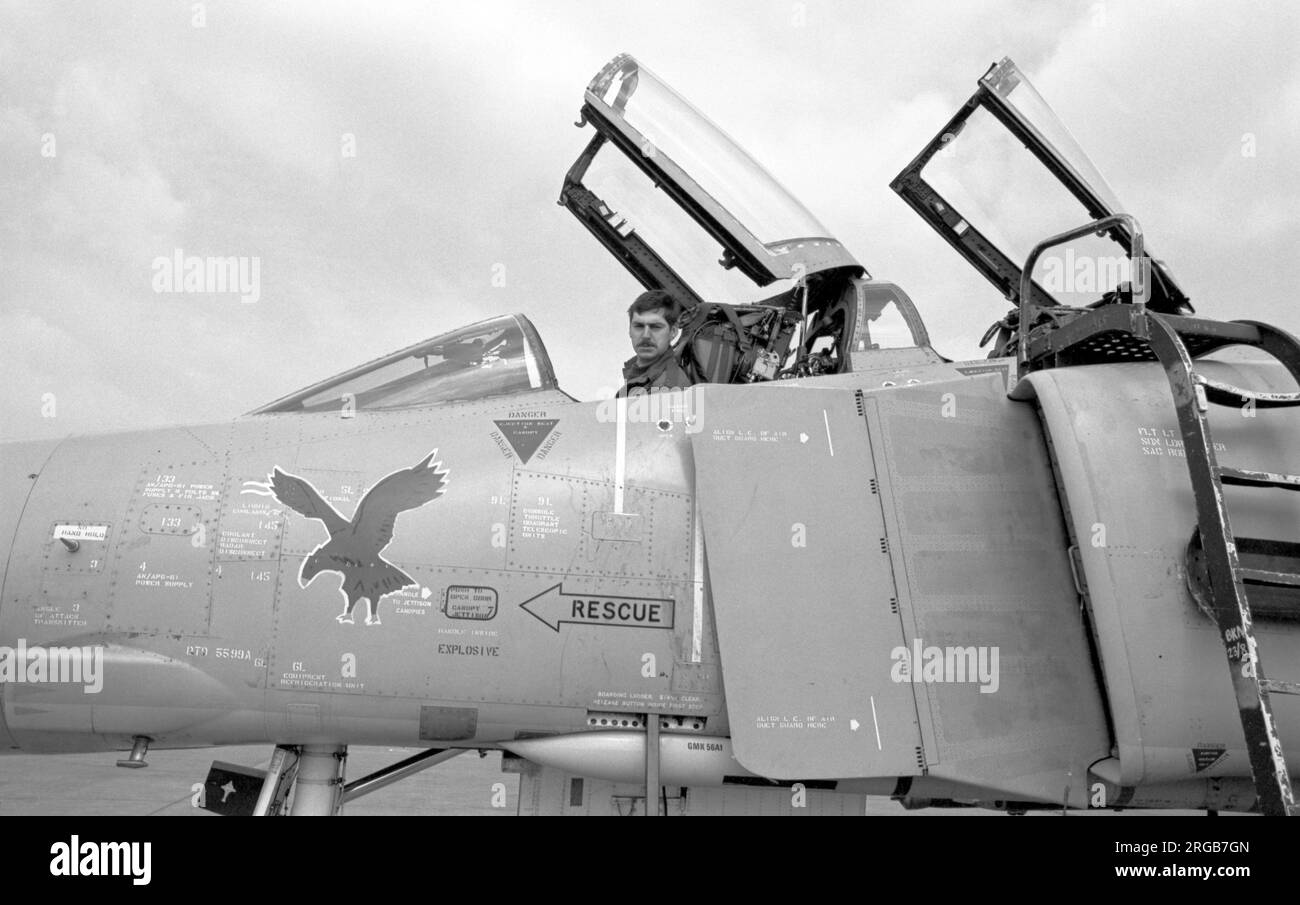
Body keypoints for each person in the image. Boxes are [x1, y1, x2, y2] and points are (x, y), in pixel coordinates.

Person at [616, 289, 695, 397]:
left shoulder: (669, 388)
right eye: (639, 326)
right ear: (629, 330)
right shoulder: (637, 373)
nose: (645, 335)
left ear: (673, 332)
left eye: (655, 327)